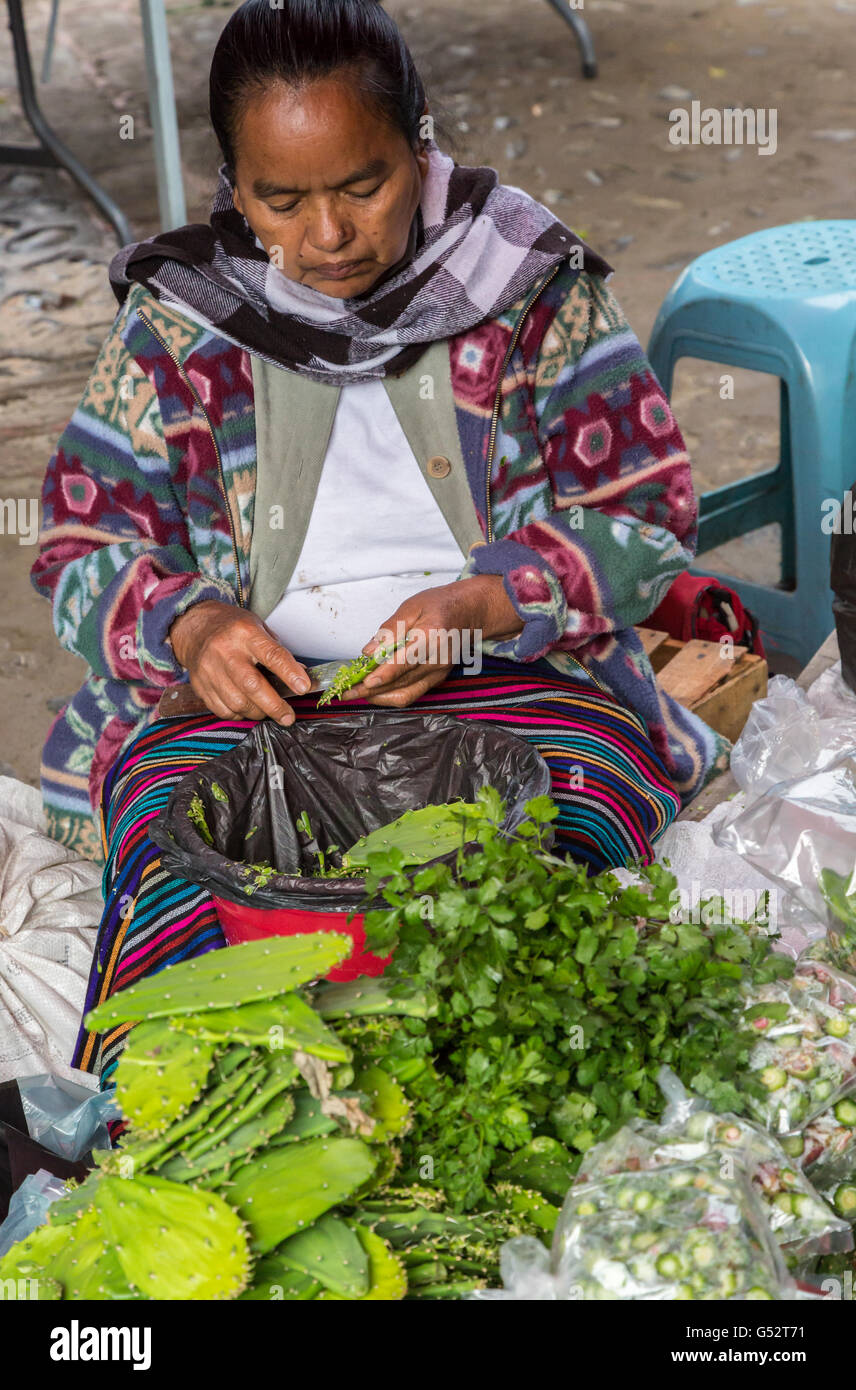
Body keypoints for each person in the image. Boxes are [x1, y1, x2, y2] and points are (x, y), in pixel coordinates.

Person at [30, 0, 727, 1084]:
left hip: (510, 688)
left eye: (364, 185)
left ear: (420, 145)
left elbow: (644, 511)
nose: (328, 235)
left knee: (534, 906)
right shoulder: (180, 321)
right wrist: (190, 620)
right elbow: (81, 539)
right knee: (189, 908)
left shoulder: (526, 287)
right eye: (282, 198)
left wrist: (483, 605)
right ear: (233, 183)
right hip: (248, 715)